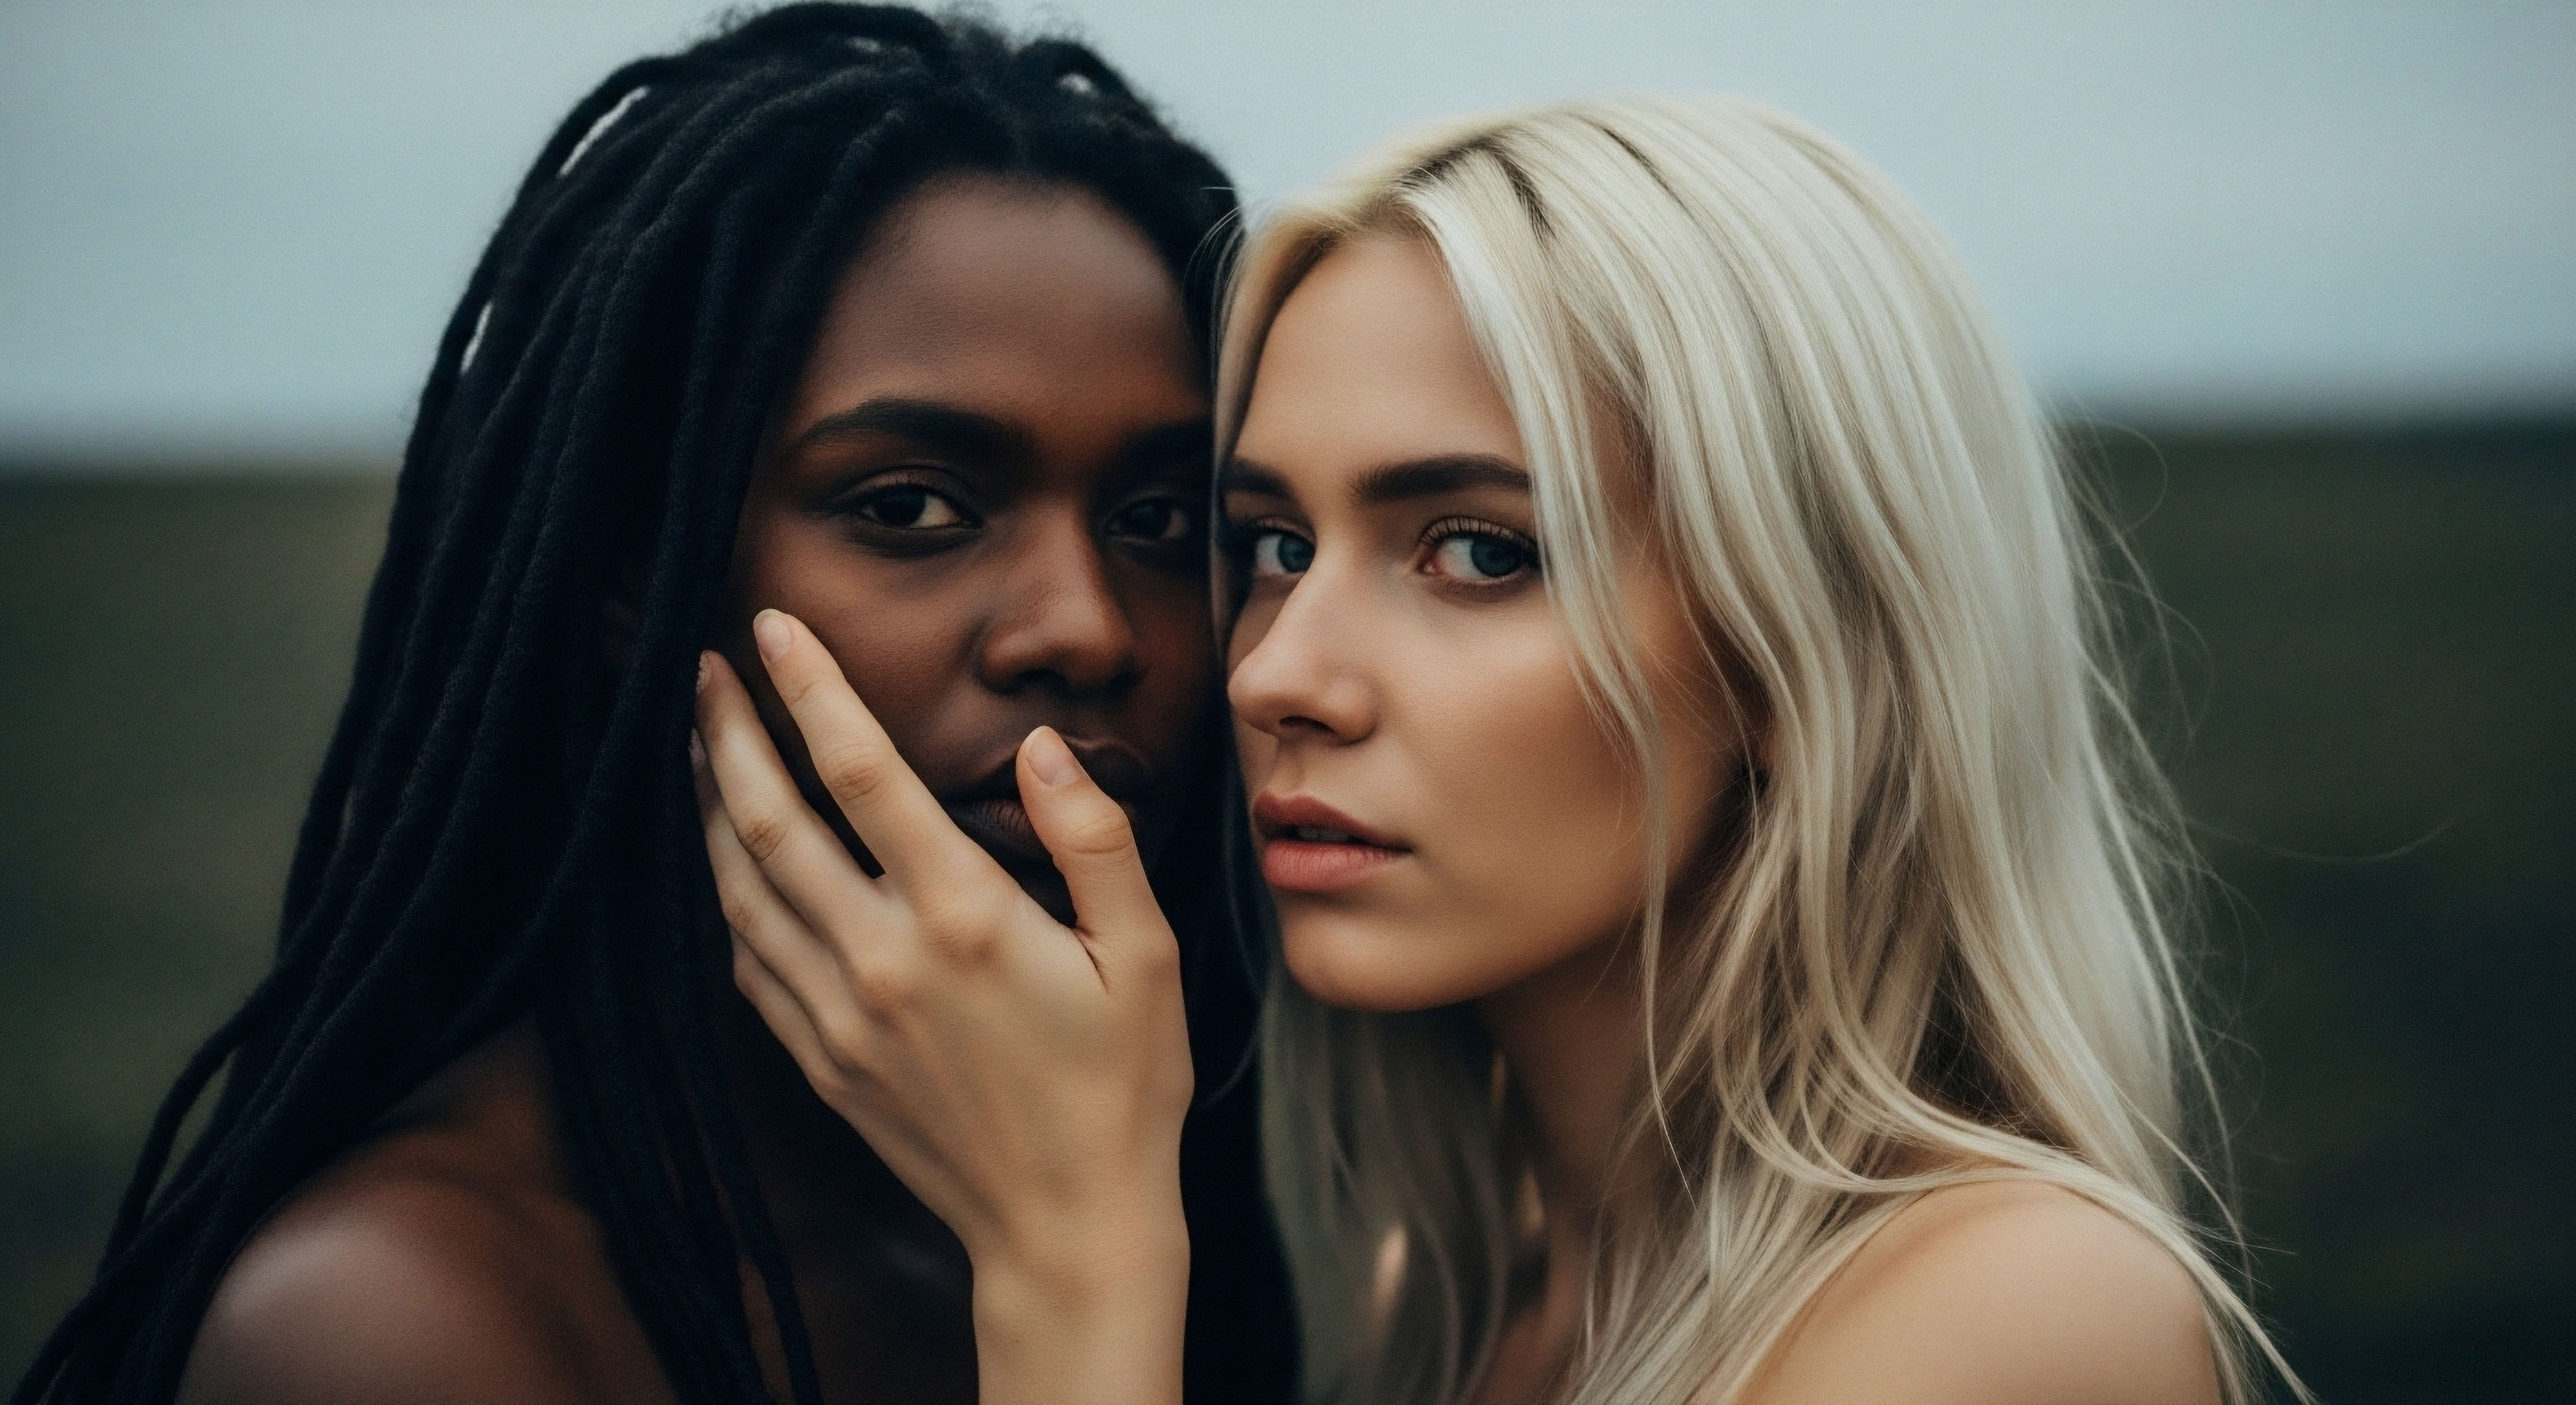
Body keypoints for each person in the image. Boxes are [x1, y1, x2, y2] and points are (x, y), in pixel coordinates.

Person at [693, 95, 2310, 1405]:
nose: (1282, 673)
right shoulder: (1456, 1303)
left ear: (1798, 650)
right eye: (1264, 544)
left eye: (1477, 551)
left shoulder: (2006, 1310)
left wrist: (1074, 1267)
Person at [18, 7, 1297, 1403]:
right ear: (640, 575)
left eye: (1163, 518)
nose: (1088, 627)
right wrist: (1083, 1269)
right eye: (913, 507)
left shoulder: (1204, 1183)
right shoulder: (402, 1318)